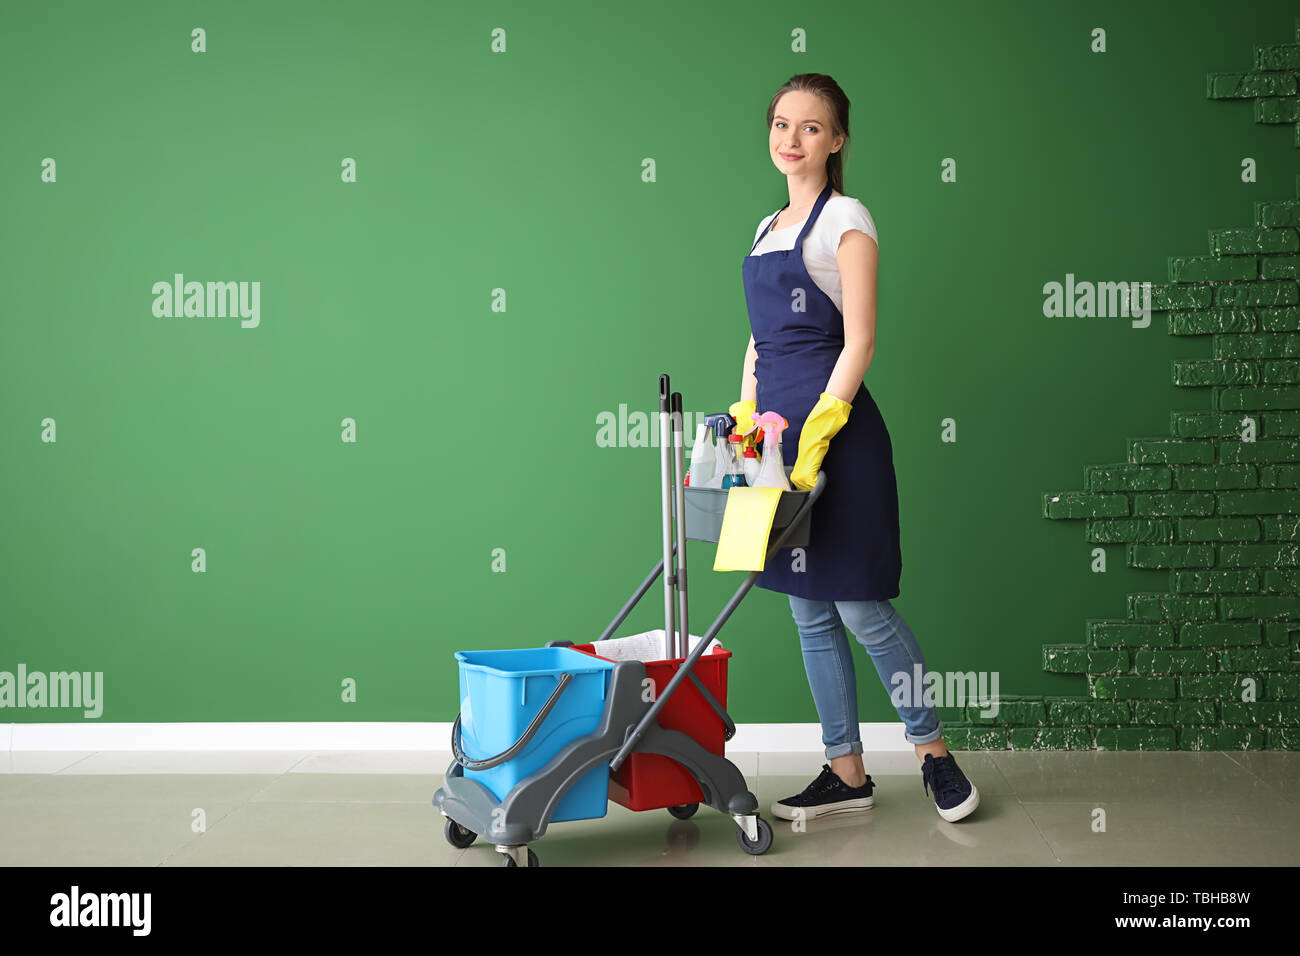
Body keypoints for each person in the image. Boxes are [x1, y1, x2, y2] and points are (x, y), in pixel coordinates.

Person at [735, 73, 979, 824]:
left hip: (838, 438)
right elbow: (759, 340)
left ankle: (935, 754)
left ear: (837, 140)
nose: (791, 139)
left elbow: (861, 336)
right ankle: (845, 771)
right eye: (781, 123)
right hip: (773, 442)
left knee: (862, 609)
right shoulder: (764, 228)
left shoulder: (849, 217)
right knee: (808, 612)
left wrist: (822, 425)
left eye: (810, 127)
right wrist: (745, 417)